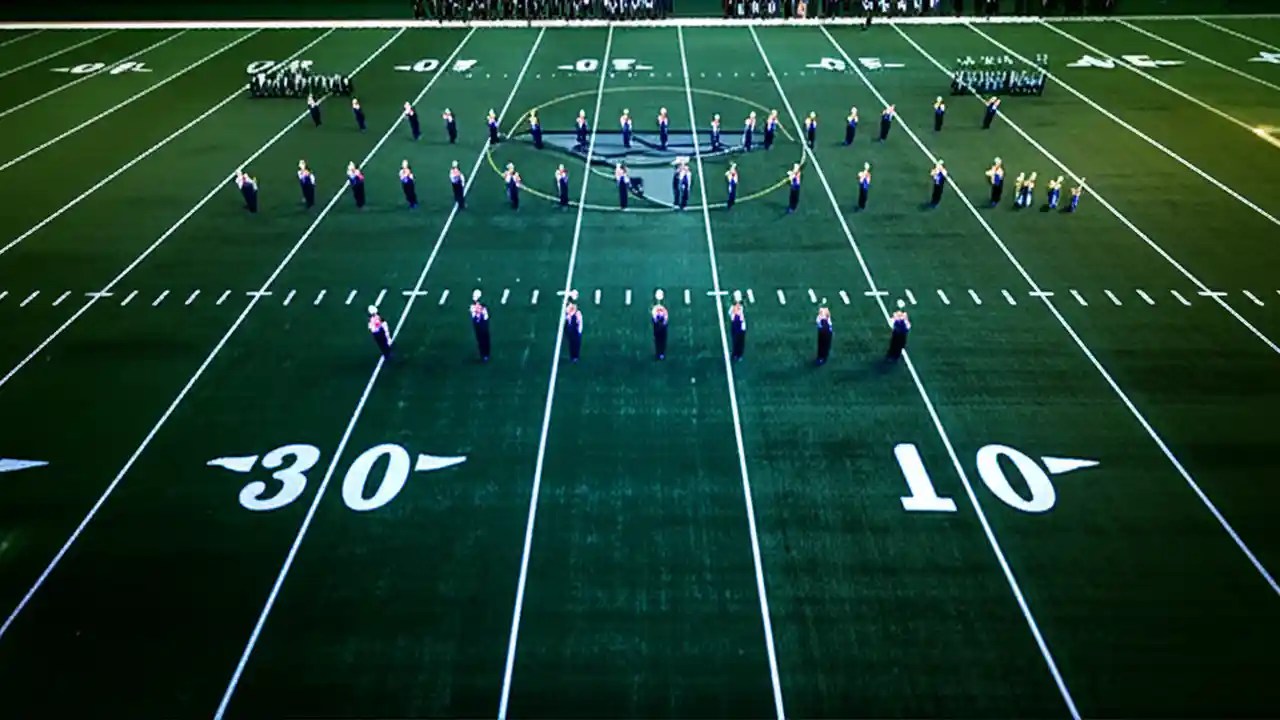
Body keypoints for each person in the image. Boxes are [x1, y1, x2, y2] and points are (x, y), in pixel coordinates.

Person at [563, 290, 583, 363]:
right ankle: (573, 356)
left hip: (575, 331)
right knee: (572, 344)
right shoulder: (573, 313)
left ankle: (575, 356)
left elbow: (579, 323)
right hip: (573, 330)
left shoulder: (577, 314)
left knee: (575, 344)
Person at [471, 290, 490, 361]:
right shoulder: (473, 307)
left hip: (483, 325)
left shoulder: (483, 307)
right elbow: (473, 317)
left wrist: (480, 314)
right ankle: (482, 354)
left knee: (485, 339)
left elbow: (486, 317)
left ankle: (486, 354)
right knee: (480, 340)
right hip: (478, 325)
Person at [729, 290, 746, 361]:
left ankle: (737, 354)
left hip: (739, 326)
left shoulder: (739, 307)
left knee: (740, 341)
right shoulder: (734, 308)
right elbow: (733, 315)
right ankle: (736, 354)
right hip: (737, 325)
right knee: (737, 340)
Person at [651, 289, 669, 360]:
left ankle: (660, 353)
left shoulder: (659, 310)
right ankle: (659, 353)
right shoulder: (657, 310)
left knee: (661, 341)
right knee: (659, 341)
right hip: (659, 328)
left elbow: (665, 316)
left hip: (661, 328)